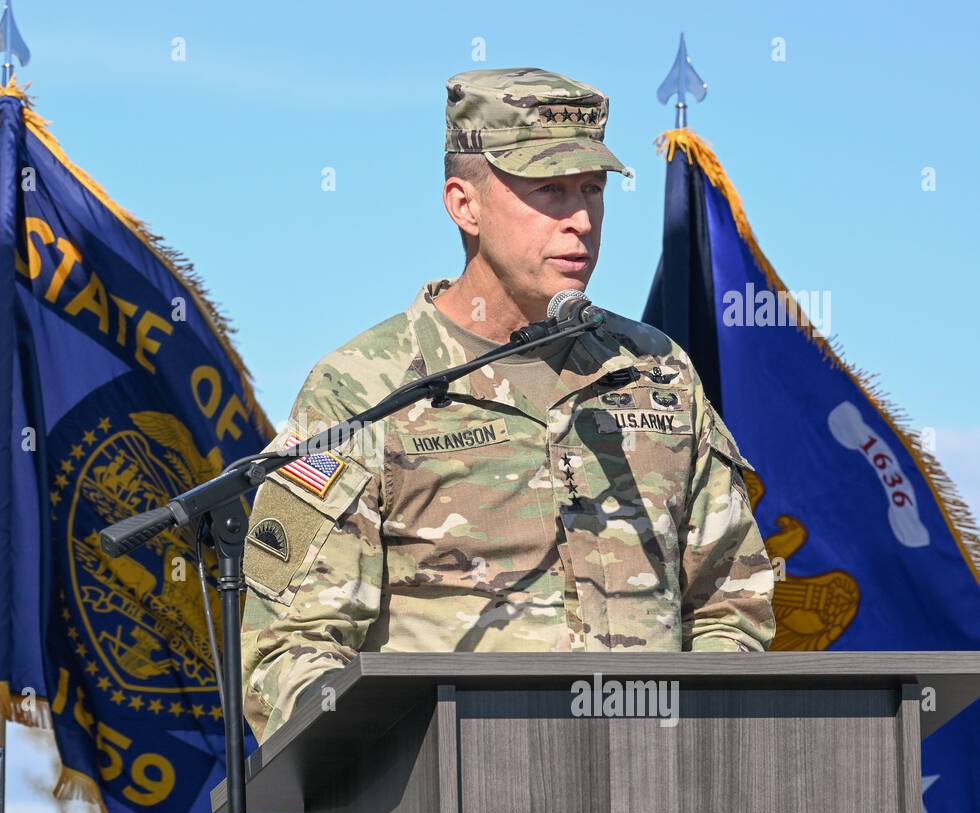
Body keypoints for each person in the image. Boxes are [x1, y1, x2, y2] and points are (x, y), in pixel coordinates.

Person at [239, 67, 775, 743]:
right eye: (549, 192)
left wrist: (699, 743)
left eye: (592, 190)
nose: (580, 220)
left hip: (654, 803)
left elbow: (731, 603)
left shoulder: (655, 371)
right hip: (444, 808)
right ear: (464, 205)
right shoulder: (361, 391)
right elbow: (289, 649)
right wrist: (395, 754)